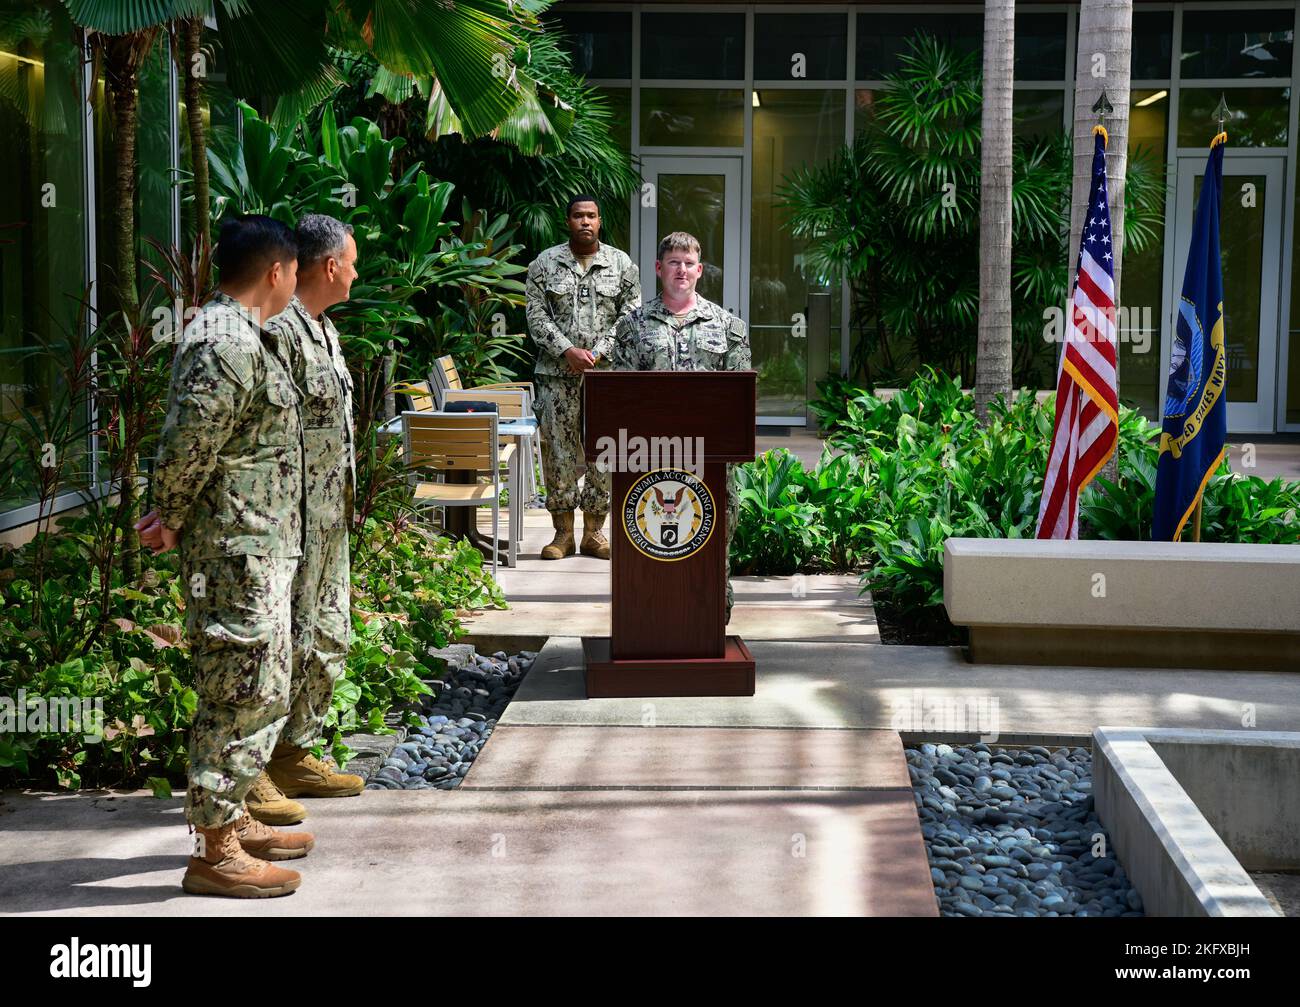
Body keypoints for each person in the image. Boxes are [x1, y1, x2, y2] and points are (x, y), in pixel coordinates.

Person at [136, 214, 313, 898]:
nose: (296, 283)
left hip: (256, 541)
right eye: (295, 271)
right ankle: (217, 850)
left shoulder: (241, 335)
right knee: (242, 685)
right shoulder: (223, 339)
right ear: (276, 272)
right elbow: (189, 438)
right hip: (235, 549)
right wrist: (172, 515)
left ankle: (232, 814)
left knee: (257, 678)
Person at [247, 214, 365, 827]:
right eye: (352, 259)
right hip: (288, 520)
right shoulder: (279, 331)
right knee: (280, 643)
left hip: (326, 516)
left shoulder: (322, 330)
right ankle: (254, 769)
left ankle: (294, 751)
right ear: (329, 266)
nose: (356, 270)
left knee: (327, 635)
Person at [612, 231, 751, 623]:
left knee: (713, 535)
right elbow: (620, 396)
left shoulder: (728, 327)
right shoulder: (633, 327)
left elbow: (739, 398)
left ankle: (708, 619)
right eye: (673, 262)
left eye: (689, 263)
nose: (681, 270)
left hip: (712, 460)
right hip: (649, 459)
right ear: (659, 269)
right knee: (651, 538)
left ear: (700, 270)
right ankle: (650, 619)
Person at [526, 194, 640, 561]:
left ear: (600, 221)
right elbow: (535, 315)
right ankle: (563, 535)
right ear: (568, 221)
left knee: (604, 452)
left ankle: (595, 533)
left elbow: (631, 314)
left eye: (591, 216)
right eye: (578, 216)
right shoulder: (545, 263)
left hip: (606, 377)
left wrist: (600, 350)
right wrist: (567, 351)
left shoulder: (621, 264)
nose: (585, 222)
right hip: (556, 377)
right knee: (557, 453)